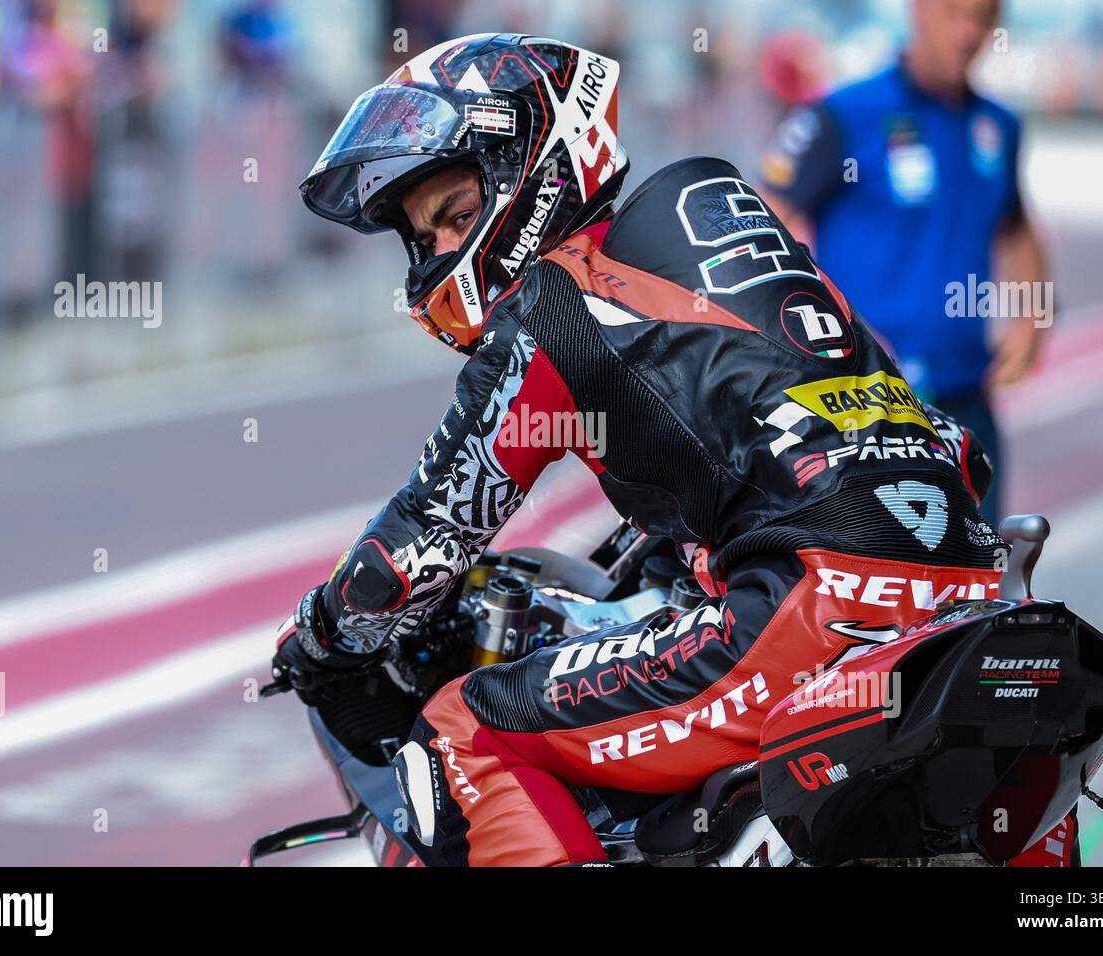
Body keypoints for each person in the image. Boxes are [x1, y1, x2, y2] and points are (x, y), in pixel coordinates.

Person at [273, 34, 1027, 867]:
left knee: (469, 726)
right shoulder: (728, 226)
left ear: (536, 162)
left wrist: (321, 633)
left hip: (809, 613)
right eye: (429, 236)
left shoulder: (556, 302)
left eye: (456, 215)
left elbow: (419, 546)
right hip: (977, 596)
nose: (445, 254)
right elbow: (950, 450)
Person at [758, 0, 1049, 526]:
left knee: (981, 590)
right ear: (919, 10)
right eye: (955, 14)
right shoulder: (843, 115)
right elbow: (758, 227)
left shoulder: (997, 127)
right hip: (859, 416)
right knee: (870, 596)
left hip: (965, 408)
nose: (968, 33)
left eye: (982, 19)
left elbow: (1017, 225)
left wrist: (1032, 315)